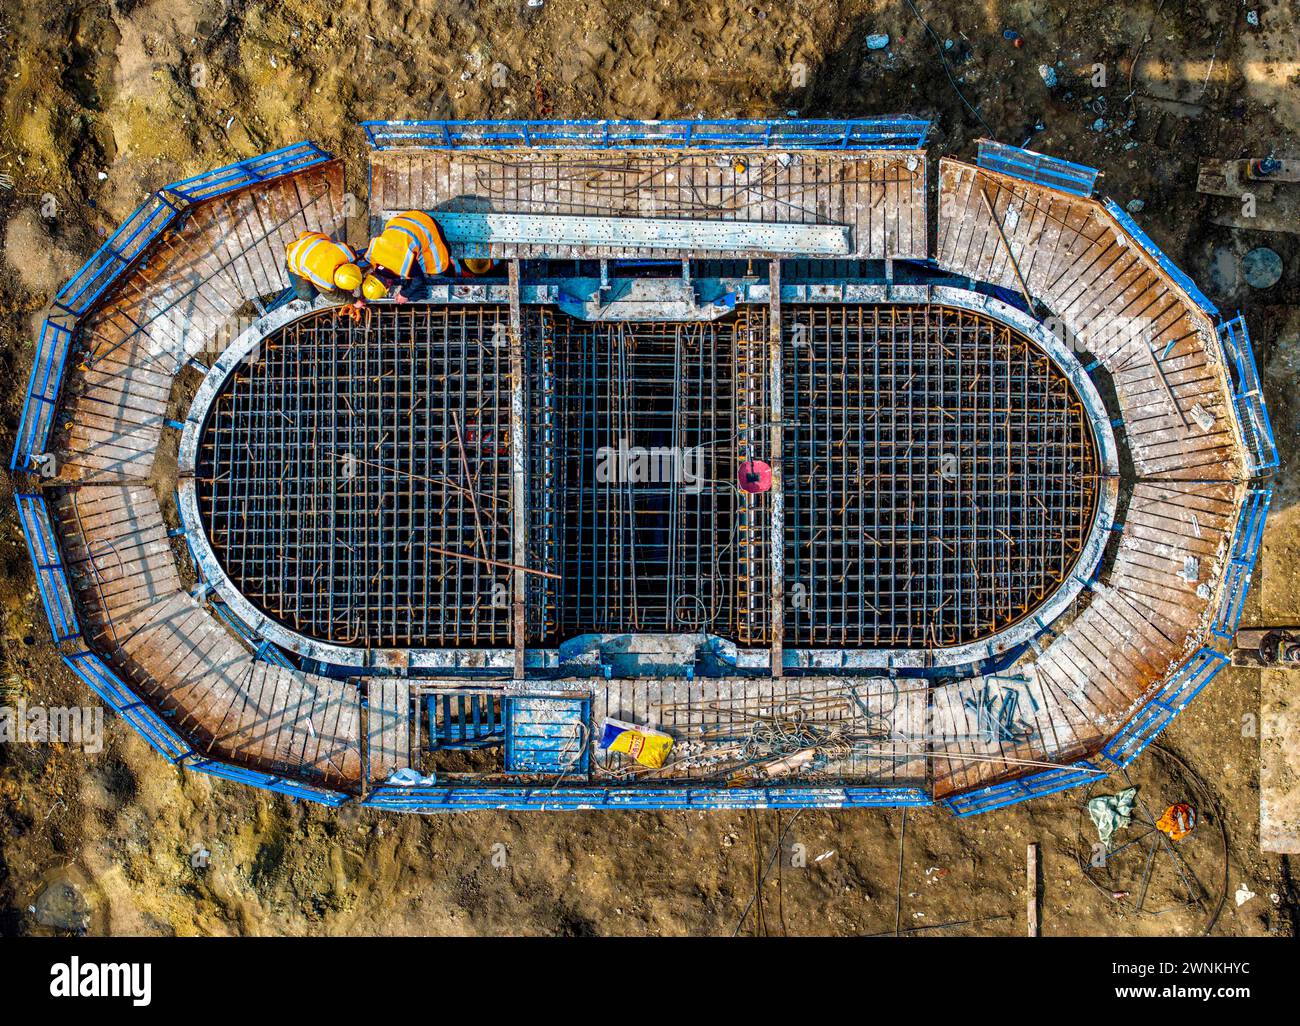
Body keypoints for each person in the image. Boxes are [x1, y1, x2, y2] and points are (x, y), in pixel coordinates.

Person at [364, 210, 451, 294]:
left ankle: (451, 261)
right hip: (406, 218)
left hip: (428, 226)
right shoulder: (371, 256)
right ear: (372, 273)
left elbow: (419, 279)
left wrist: (405, 294)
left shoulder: (403, 267)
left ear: (388, 283)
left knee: (439, 268)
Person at [284, 230, 363, 303]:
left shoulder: (347, 253)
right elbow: (331, 295)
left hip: (310, 239)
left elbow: (352, 257)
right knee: (306, 294)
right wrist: (354, 301)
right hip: (293, 256)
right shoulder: (323, 281)